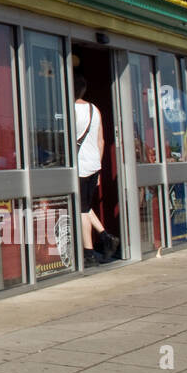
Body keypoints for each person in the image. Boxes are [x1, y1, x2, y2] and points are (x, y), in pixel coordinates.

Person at [74, 74, 118, 266]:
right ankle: (106, 237)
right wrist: (98, 167)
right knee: (84, 204)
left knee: (82, 208)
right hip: (93, 164)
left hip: (80, 165)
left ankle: (89, 253)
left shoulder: (71, 110)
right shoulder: (94, 109)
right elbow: (101, 140)